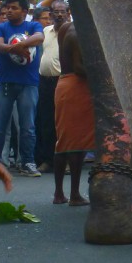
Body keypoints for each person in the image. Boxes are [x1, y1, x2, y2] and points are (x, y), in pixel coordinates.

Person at [0, 0, 45, 176]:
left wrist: (18, 45)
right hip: (4, 83)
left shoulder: (32, 25)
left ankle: (27, 162)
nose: (9, 11)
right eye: (8, 8)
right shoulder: (1, 28)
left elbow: (39, 38)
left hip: (29, 83)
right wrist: (16, 48)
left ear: (25, 11)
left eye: (14, 8)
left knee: (27, 126)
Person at [52, 20, 95, 206]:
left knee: (64, 141)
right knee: (77, 144)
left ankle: (59, 193)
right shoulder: (78, 33)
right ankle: (74, 194)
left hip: (64, 84)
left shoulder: (66, 27)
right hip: (76, 86)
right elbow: (79, 67)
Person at [36, 0, 71, 172]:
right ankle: (48, 160)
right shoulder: (46, 30)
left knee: (64, 123)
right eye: (55, 12)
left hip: (63, 81)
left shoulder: (73, 31)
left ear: (68, 14)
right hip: (44, 82)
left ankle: (64, 161)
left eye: (62, 11)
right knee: (46, 122)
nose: (58, 15)